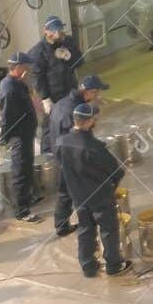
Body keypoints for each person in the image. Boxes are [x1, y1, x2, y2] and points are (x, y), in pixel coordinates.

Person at [54, 103, 132, 278]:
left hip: (79, 197)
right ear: (88, 121)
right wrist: (112, 185)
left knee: (85, 229)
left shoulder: (61, 143)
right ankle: (113, 265)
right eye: (93, 118)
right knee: (108, 229)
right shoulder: (94, 147)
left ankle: (88, 266)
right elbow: (116, 171)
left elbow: (64, 170)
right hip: (100, 197)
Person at [45, 75, 111, 237]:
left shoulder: (62, 102)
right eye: (96, 93)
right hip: (71, 156)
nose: (97, 97)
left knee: (64, 190)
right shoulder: (73, 111)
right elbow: (78, 137)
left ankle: (61, 225)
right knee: (79, 189)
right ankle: (87, 224)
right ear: (89, 92)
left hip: (58, 150)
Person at [0, 52, 41, 222]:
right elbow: (7, 115)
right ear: (16, 67)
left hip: (26, 133)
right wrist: (5, 136)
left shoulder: (17, 83)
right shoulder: (9, 88)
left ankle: (28, 197)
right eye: (25, 67)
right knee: (20, 171)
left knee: (27, 166)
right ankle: (21, 210)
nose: (28, 70)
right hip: (19, 136)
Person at [27, 16, 83, 113]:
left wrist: (70, 57)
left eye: (59, 30)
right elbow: (37, 77)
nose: (57, 34)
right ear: (45, 31)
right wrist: (45, 98)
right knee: (54, 123)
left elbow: (80, 62)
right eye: (53, 31)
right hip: (54, 96)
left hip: (71, 91)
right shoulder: (38, 52)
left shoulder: (69, 42)